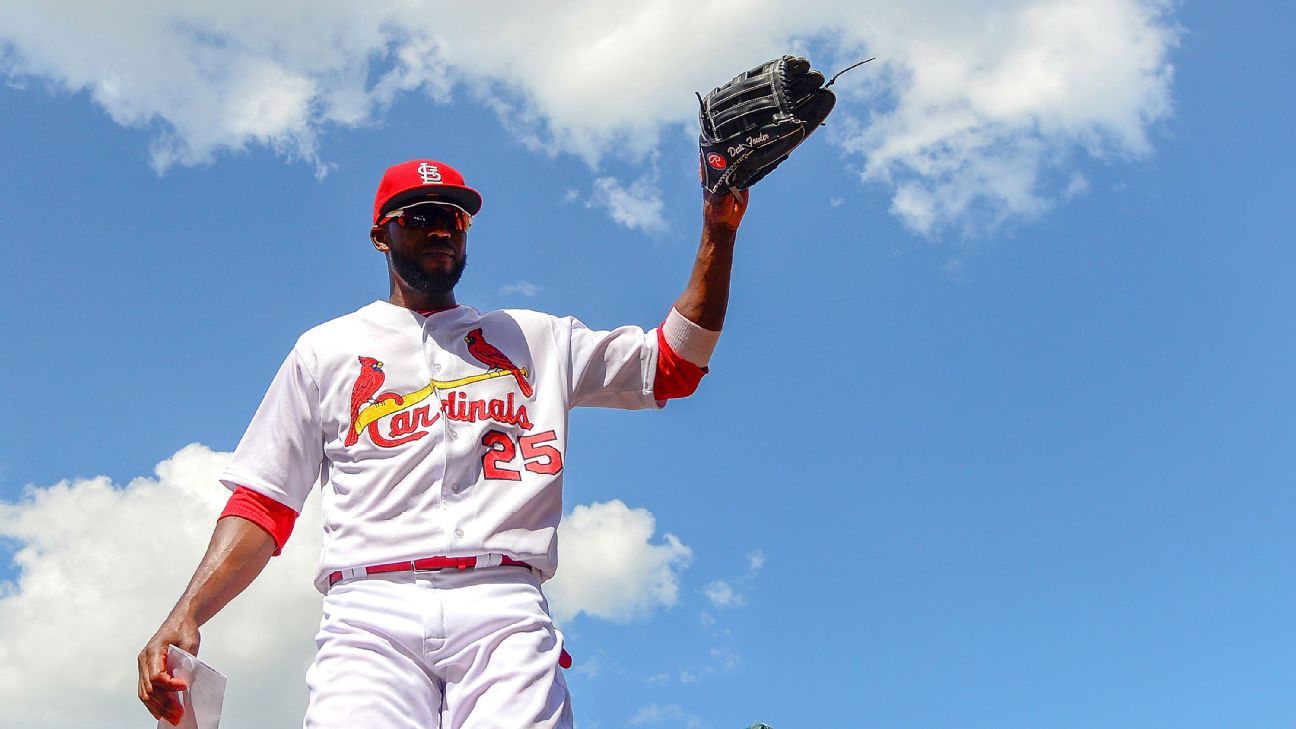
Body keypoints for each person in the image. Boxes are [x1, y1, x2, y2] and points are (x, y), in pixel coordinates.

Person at [137, 158, 747, 728]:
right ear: (382, 235)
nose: (440, 230)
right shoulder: (326, 349)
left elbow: (674, 364)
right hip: (370, 609)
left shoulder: (534, 338)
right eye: (420, 216)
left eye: (453, 217)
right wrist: (187, 611)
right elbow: (264, 502)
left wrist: (718, 229)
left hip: (502, 603)